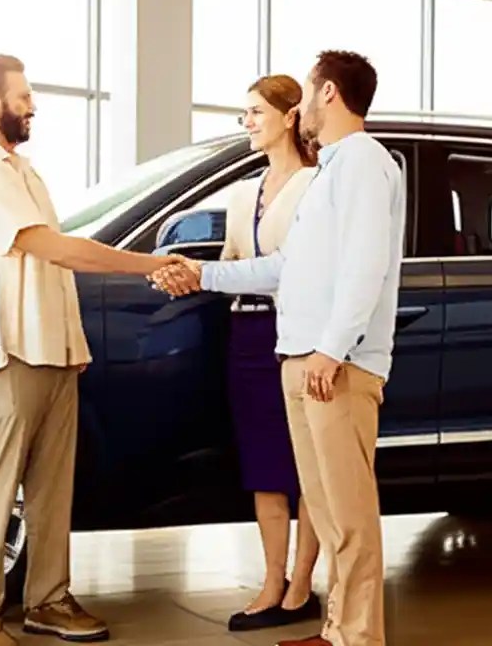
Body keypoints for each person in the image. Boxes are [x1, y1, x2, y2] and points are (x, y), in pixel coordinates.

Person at [152, 50, 402, 646]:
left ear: (330, 94)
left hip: (332, 366)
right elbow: (287, 267)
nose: (306, 103)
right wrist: (203, 275)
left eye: (311, 90)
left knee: (348, 517)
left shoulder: (364, 162)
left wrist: (332, 350)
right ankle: (336, 628)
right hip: (302, 359)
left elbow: (366, 266)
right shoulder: (330, 173)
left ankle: (358, 638)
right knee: (324, 502)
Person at [0, 52, 185, 646]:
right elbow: (54, 250)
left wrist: (73, 346)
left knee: (53, 492)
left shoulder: (21, 170)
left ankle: (48, 601)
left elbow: (51, 267)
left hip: (54, 352)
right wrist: (151, 264)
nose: (32, 105)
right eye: (23, 95)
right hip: (7, 353)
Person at [221, 75, 322, 632]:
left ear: (289, 116)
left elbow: (297, 269)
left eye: (257, 112)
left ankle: (302, 581)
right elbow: (234, 261)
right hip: (248, 336)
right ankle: (270, 581)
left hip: (297, 335)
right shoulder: (242, 194)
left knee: (306, 466)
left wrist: (225, 274)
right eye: (246, 114)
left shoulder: (315, 187)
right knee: (264, 466)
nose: (250, 123)